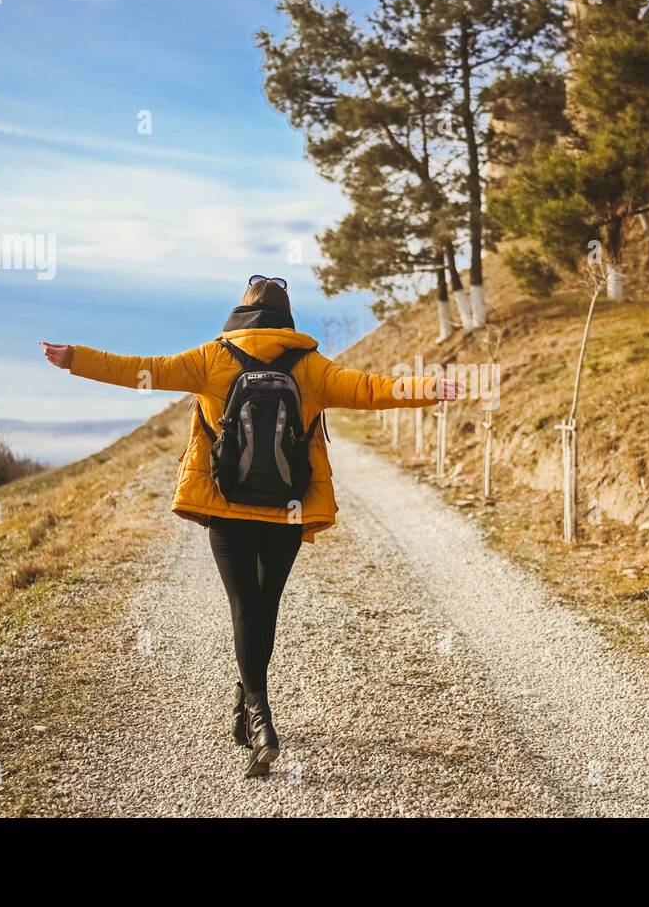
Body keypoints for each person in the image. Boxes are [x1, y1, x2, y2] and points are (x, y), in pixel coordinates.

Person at [41, 276, 455, 776]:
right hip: (288, 506)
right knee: (265, 605)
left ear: (241, 310)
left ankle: (258, 716)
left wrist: (75, 359)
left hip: (227, 506)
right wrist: (426, 388)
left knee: (244, 606)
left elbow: (140, 371)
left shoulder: (210, 359)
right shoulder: (310, 365)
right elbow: (371, 389)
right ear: (287, 316)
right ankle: (250, 706)